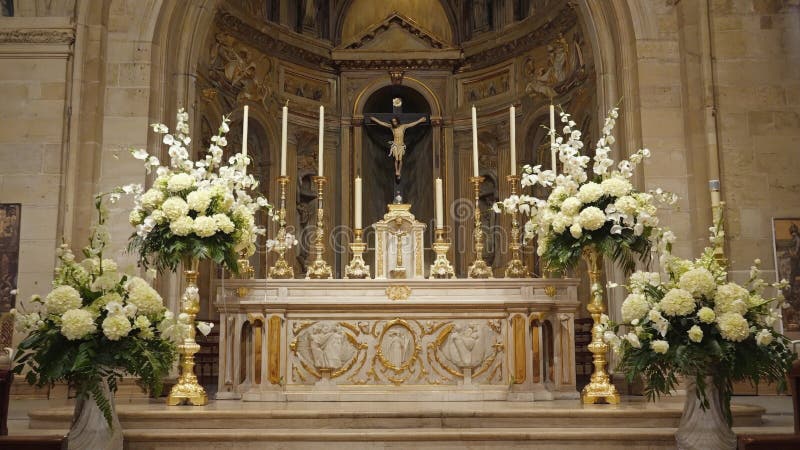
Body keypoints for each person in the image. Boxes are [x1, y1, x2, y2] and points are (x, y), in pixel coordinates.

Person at [370, 115, 427, 180]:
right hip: (395, 145)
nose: (394, 123)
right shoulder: (392, 127)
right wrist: (374, 119)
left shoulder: (403, 127)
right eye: (393, 121)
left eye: (395, 121)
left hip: (401, 146)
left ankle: (399, 171)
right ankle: (396, 171)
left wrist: (421, 120)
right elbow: (383, 123)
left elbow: (412, 124)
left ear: (397, 121)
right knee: (396, 159)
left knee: (400, 159)